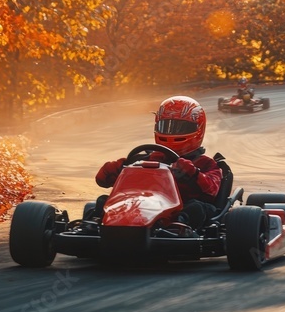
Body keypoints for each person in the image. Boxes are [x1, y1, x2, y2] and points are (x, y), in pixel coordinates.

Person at [95, 96, 223, 228]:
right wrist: (112, 170)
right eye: (165, 126)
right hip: (143, 205)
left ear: (198, 129)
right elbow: (101, 180)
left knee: (197, 207)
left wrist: (193, 174)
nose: (171, 132)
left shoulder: (206, 163)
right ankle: (96, 226)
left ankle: (179, 227)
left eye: (181, 127)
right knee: (102, 202)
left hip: (179, 210)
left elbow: (211, 192)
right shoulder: (147, 158)